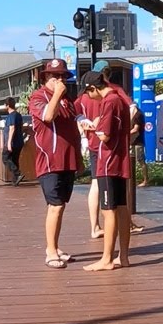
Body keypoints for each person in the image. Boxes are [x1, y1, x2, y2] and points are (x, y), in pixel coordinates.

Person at [28, 58, 84, 269]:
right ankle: (50, 250)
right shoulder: (38, 97)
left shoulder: (67, 100)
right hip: (50, 161)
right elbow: (48, 116)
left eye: (62, 76)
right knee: (55, 205)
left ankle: (55, 245)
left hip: (67, 159)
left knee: (61, 205)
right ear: (46, 78)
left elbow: (72, 125)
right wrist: (58, 94)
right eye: (54, 76)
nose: (59, 80)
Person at [81, 70, 132, 270]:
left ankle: (107, 259)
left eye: (88, 92)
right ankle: (124, 256)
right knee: (121, 209)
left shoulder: (109, 102)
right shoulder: (119, 99)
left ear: (94, 88)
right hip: (119, 161)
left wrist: (91, 127)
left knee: (108, 210)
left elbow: (104, 135)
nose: (88, 97)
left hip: (108, 163)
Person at [73, 83, 103, 239]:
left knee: (96, 183)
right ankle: (122, 223)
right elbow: (131, 108)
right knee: (108, 184)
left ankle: (95, 225)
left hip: (93, 143)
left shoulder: (82, 99)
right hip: (106, 144)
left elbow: (74, 112)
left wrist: (84, 120)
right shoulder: (108, 95)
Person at [2, 97, 26, 185]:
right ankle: (16, 180)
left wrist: (8, 143)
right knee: (15, 160)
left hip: (12, 142)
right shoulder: (18, 115)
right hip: (19, 141)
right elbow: (21, 127)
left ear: (7, 105)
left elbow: (12, 128)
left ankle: (17, 173)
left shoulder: (11, 116)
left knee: (5, 158)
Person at [129, 103, 150, 187]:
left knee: (140, 160)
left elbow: (136, 129)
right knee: (131, 160)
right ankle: (132, 179)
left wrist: (126, 134)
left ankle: (146, 180)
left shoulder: (138, 115)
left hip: (138, 141)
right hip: (131, 141)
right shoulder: (131, 115)